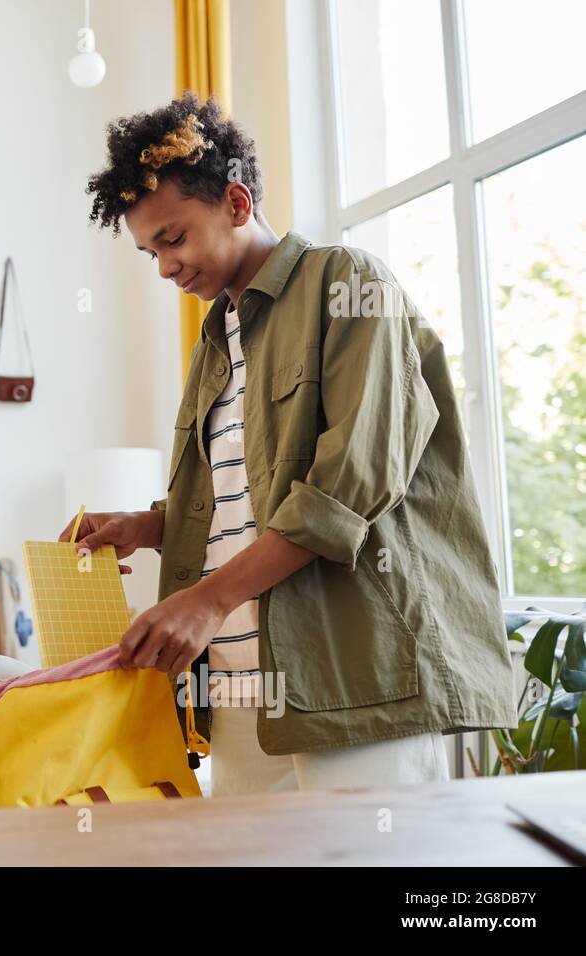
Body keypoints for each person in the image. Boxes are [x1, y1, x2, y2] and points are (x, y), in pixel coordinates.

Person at [62, 92, 518, 796]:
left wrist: (205, 601)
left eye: (174, 239)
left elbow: (345, 490)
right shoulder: (214, 341)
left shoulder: (349, 285)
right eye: (150, 250)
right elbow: (239, 495)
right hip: (245, 689)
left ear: (237, 204)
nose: (162, 267)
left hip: (354, 679)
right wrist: (148, 526)